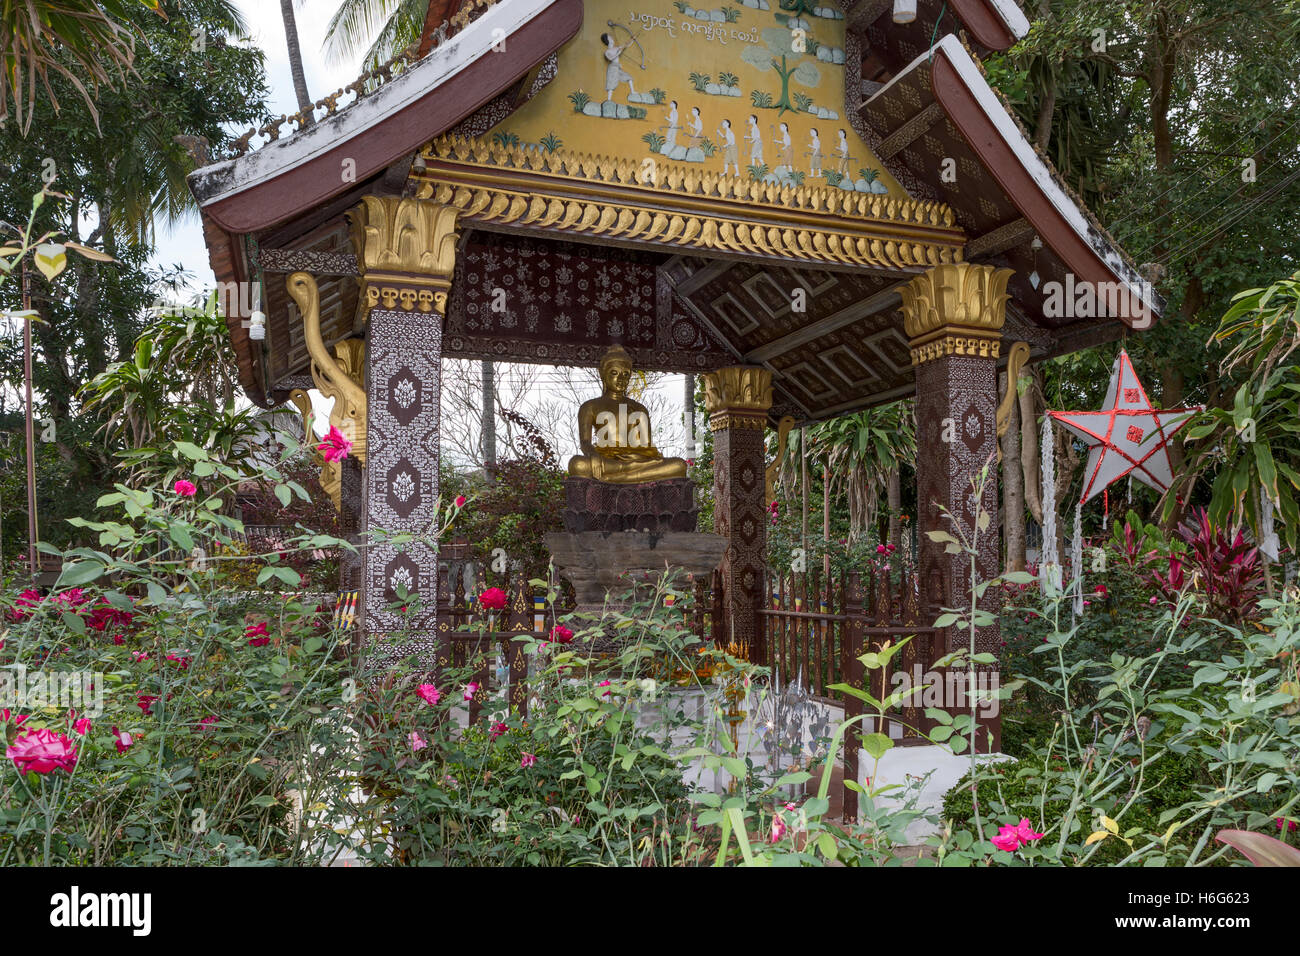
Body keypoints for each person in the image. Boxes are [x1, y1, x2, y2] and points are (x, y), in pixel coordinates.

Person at [567, 347, 688, 483]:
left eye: (625, 375)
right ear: (603, 374)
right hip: (607, 461)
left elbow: (646, 447)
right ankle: (623, 477)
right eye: (614, 373)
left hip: (638, 462)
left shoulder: (639, 409)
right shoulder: (590, 406)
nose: (621, 379)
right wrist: (593, 455)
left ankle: (613, 479)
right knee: (577, 464)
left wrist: (635, 457)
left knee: (679, 465)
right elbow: (585, 442)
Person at [601, 32, 637, 102]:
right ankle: (609, 100)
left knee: (629, 78)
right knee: (611, 84)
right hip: (612, 68)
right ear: (608, 40)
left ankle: (633, 92)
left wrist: (632, 39)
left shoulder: (616, 48)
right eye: (610, 37)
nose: (612, 38)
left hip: (617, 67)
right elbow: (610, 58)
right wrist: (618, 53)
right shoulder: (608, 51)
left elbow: (626, 45)